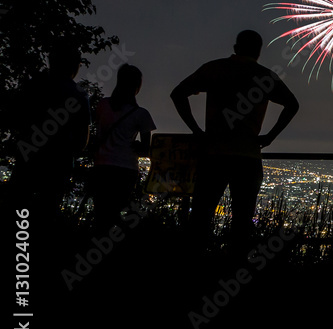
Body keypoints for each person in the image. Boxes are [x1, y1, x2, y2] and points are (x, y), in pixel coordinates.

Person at [170, 30, 299, 253]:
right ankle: (236, 271)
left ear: (235, 47)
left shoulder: (214, 69)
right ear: (258, 52)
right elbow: (292, 105)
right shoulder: (264, 76)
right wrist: (270, 136)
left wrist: (196, 130)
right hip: (247, 157)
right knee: (242, 223)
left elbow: (178, 93)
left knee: (201, 217)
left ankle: (193, 268)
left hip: (214, 155)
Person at [8, 44, 91, 222]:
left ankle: (20, 245)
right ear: (75, 65)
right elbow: (82, 137)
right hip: (59, 161)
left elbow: (16, 117)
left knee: (19, 206)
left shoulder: (33, 85)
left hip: (28, 155)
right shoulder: (79, 95)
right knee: (49, 210)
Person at [91, 64, 156, 235]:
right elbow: (145, 149)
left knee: (100, 213)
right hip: (125, 169)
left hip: (102, 165)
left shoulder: (102, 105)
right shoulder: (141, 114)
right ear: (137, 86)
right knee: (116, 213)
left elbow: (97, 135)